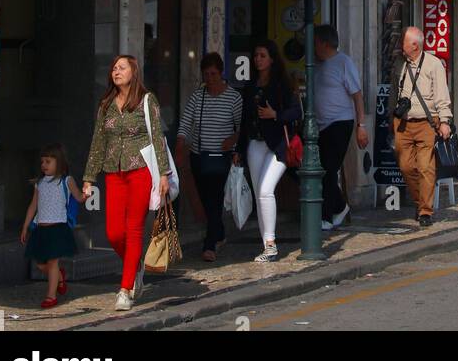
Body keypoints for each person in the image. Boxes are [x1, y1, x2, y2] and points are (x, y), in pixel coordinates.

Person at [82, 54, 171, 312]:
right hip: (113, 172)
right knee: (113, 233)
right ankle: (136, 265)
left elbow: (157, 136)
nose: (115, 71)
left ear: (134, 71)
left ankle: (125, 289)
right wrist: (89, 177)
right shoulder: (106, 104)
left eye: (121, 68)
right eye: (113, 69)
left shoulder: (146, 100)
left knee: (133, 229)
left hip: (140, 170)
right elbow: (98, 143)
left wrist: (163, 173)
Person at [235, 40, 301, 264]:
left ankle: (271, 243)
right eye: (256, 56)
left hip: (279, 144)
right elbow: (245, 121)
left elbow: (296, 112)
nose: (258, 59)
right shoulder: (251, 85)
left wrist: (275, 114)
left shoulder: (282, 83)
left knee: (265, 189)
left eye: (262, 55)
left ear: (272, 58)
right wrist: (239, 149)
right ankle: (266, 245)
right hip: (256, 143)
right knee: (258, 193)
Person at [176, 52, 243, 261]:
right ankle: (219, 234)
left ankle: (210, 244)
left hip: (221, 157)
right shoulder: (198, 96)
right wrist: (180, 143)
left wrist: (233, 141)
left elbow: (242, 126)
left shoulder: (234, 97)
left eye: (213, 74)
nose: (210, 78)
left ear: (221, 73)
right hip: (199, 155)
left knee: (215, 199)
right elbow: (186, 122)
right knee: (207, 200)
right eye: (206, 74)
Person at [389, 27, 452, 228]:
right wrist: (391, 115)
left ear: (415, 45)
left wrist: (445, 121)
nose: (401, 46)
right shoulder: (399, 63)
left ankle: (425, 210)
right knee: (406, 167)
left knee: (426, 167)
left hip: (426, 122)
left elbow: (442, 95)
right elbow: (393, 91)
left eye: (405, 43)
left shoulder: (434, 65)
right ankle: (420, 201)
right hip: (403, 123)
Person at [314, 25, 369, 231]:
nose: (313, 46)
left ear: (324, 43)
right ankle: (339, 206)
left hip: (340, 123)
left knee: (328, 170)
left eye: (315, 41)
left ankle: (327, 215)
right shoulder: (316, 64)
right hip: (318, 126)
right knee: (318, 171)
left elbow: (357, 95)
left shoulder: (343, 63)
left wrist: (361, 126)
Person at [20, 144, 84, 309]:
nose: (44, 165)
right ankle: (60, 278)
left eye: (48, 161)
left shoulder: (66, 181)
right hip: (41, 229)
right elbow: (33, 206)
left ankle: (51, 296)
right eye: (42, 162)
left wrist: (87, 192)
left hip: (57, 228)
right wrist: (25, 226)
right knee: (41, 264)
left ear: (59, 163)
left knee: (53, 262)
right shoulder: (40, 183)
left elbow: (78, 197)